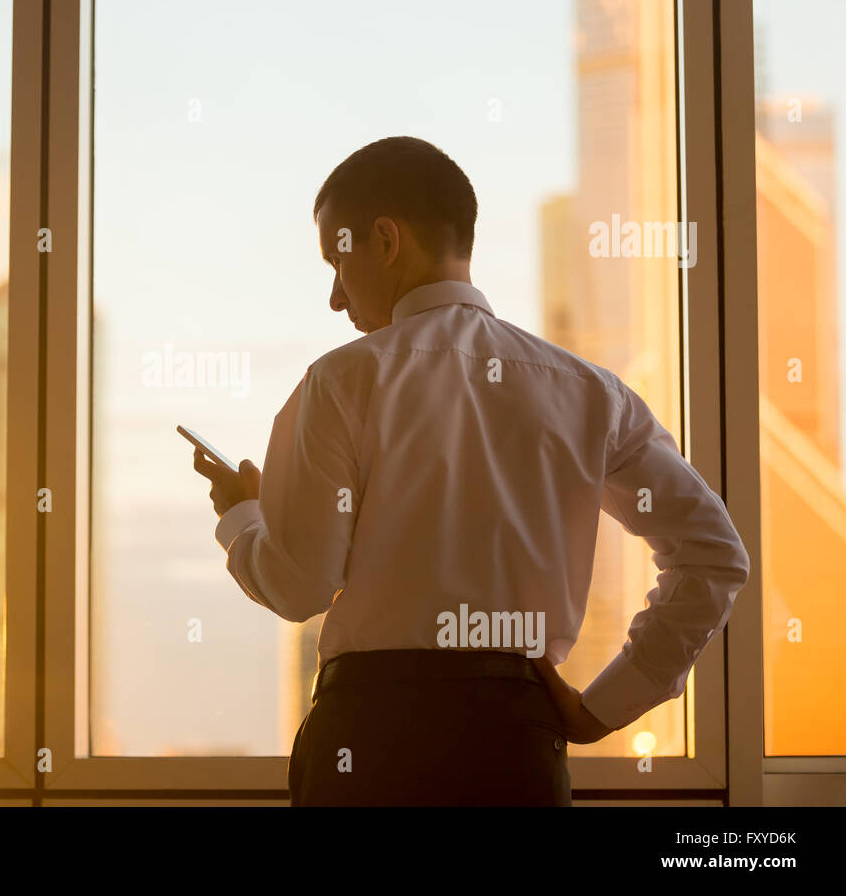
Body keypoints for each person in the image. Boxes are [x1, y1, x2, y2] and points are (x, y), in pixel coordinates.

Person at [190, 136, 750, 806]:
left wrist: (242, 519)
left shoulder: (341, 382)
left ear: (386, 239)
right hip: (515, 748)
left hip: (367, 748)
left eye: (339, 262)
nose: (336, 298)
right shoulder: (589, 392)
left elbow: (298, 585)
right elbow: (714, 557)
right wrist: (605, 706)